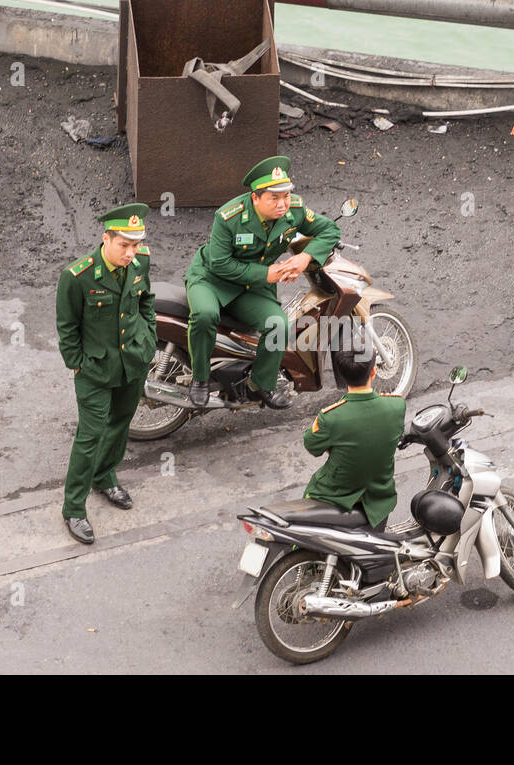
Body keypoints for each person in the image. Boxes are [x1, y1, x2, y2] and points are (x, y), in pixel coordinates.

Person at [183, 155, 341, 409]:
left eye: (286, 196)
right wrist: (265, 274)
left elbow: (330, 230)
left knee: (278, 325)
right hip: (211, 280)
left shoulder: (295, 211)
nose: (283, 204)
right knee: (204, 315)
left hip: (251, 289)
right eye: (274, 197)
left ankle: (258, 386)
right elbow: (219, 264)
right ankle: (200, 379)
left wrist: (304, 258)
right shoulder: (229, 217)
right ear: (255, 198)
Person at [55, 203, 157, 545]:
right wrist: (76, 362)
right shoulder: (77, 276)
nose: (131, 253)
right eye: (123, 245)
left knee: (121, 422)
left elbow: (146, 301)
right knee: (90, 435)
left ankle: (105, 476)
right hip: (95, 369)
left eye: (135, 245)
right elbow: (67, 326)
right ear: (105, 239)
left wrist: (149, 336)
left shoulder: (141, 262)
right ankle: (73, 507)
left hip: (133, 363)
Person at [301, 334, 405, 531]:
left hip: (333, 496)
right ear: (374, 371)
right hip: (378, 502)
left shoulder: (330, 417)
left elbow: (311, 445)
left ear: (341, 374)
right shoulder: (397, 406)